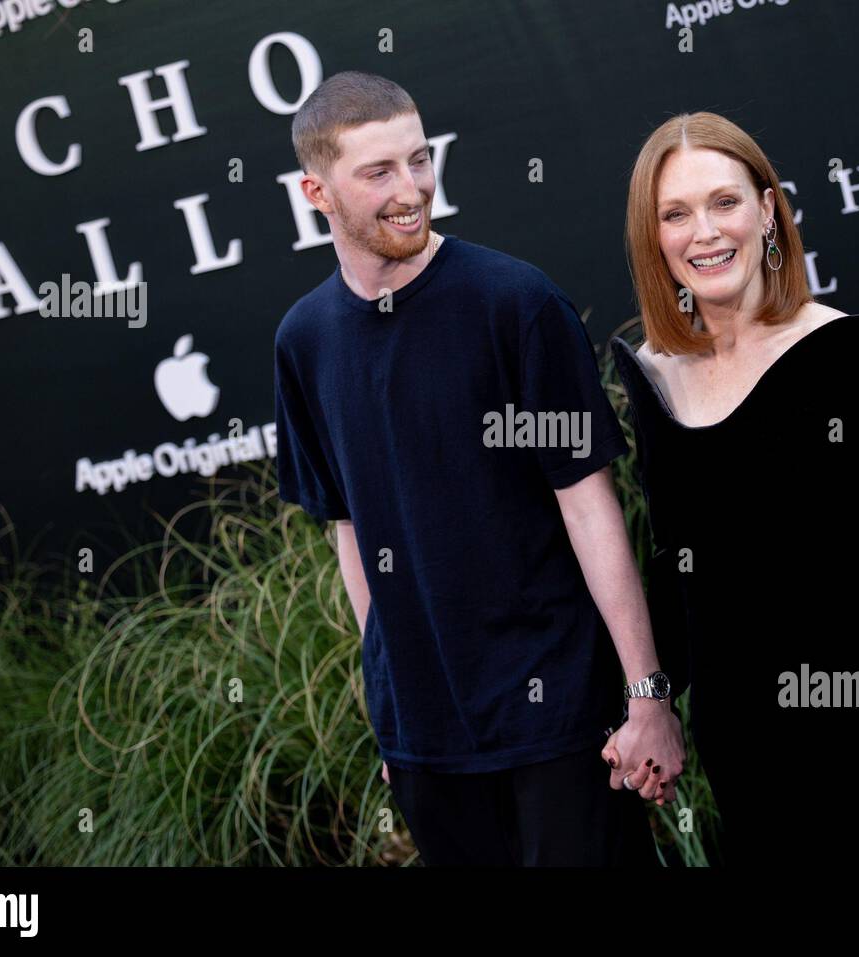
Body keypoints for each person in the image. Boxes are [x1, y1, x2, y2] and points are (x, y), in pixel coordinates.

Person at [272, 71, 685, 866]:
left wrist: (646, 695)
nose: (413, 189)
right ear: (316, 191)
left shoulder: (516, 302)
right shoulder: (304, 340)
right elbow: (349, 528)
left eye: (419, 159)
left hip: (561, 720)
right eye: (379, 172)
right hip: (424, 739)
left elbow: (589, 506)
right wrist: (390, 704)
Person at [604, 111, 859, 867]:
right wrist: (655, 704)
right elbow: (675, 561)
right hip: (741, 749)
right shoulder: (656, 375)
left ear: (768, 210)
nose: (704, 232)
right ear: (655, 238)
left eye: (724, 202)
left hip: (857, 741)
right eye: (676, 213)